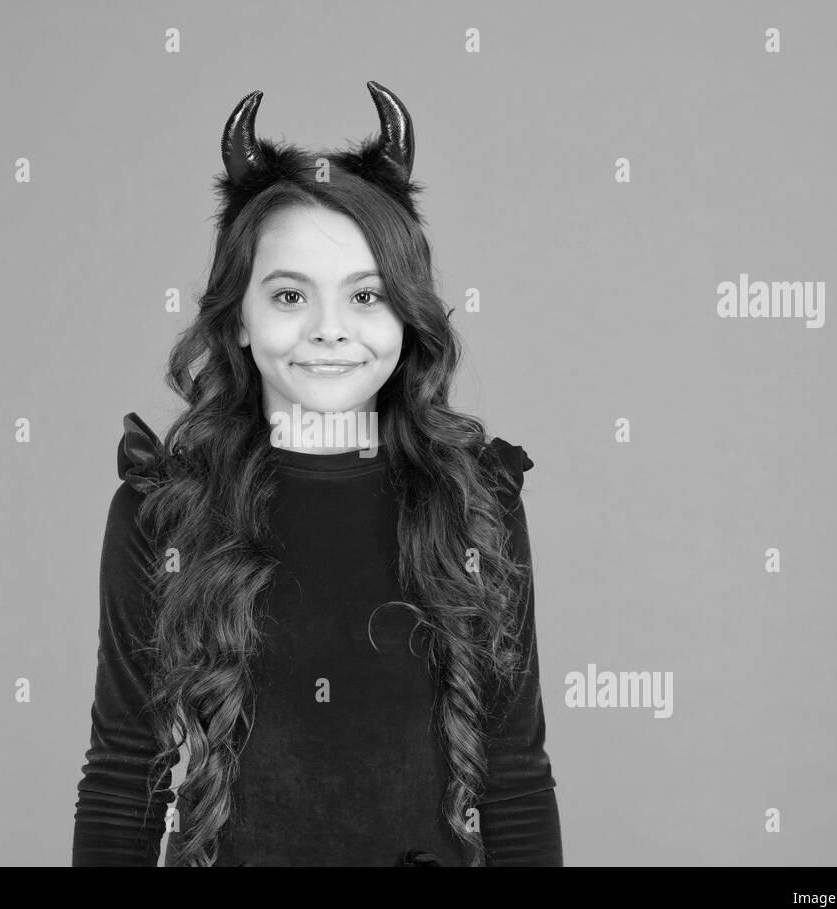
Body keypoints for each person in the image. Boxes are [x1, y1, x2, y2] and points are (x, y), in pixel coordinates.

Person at [72, 81, 562, 866]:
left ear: (407, 311)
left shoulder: (476, 506)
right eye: (291, 294)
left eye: (366, 295)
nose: (330, 330)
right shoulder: (162, 514)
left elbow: (515, 775)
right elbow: (127, 774)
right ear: (239, 315)